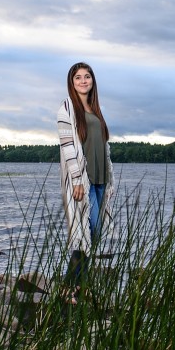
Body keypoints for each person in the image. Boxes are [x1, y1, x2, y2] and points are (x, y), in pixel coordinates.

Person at [57, 62, 115, 292]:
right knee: (85, 231)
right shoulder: (67, 108)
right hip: (84, 180)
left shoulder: (95, 109)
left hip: (101, 180)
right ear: (72, 82)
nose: (83, 81)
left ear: (93, 81)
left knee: (94, 231)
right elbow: (68, 145)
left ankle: (76, 284)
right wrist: (77, 179)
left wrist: (110, 179)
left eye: (87, 76)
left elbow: (104, 145)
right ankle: (71, 285)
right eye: (78, 77)